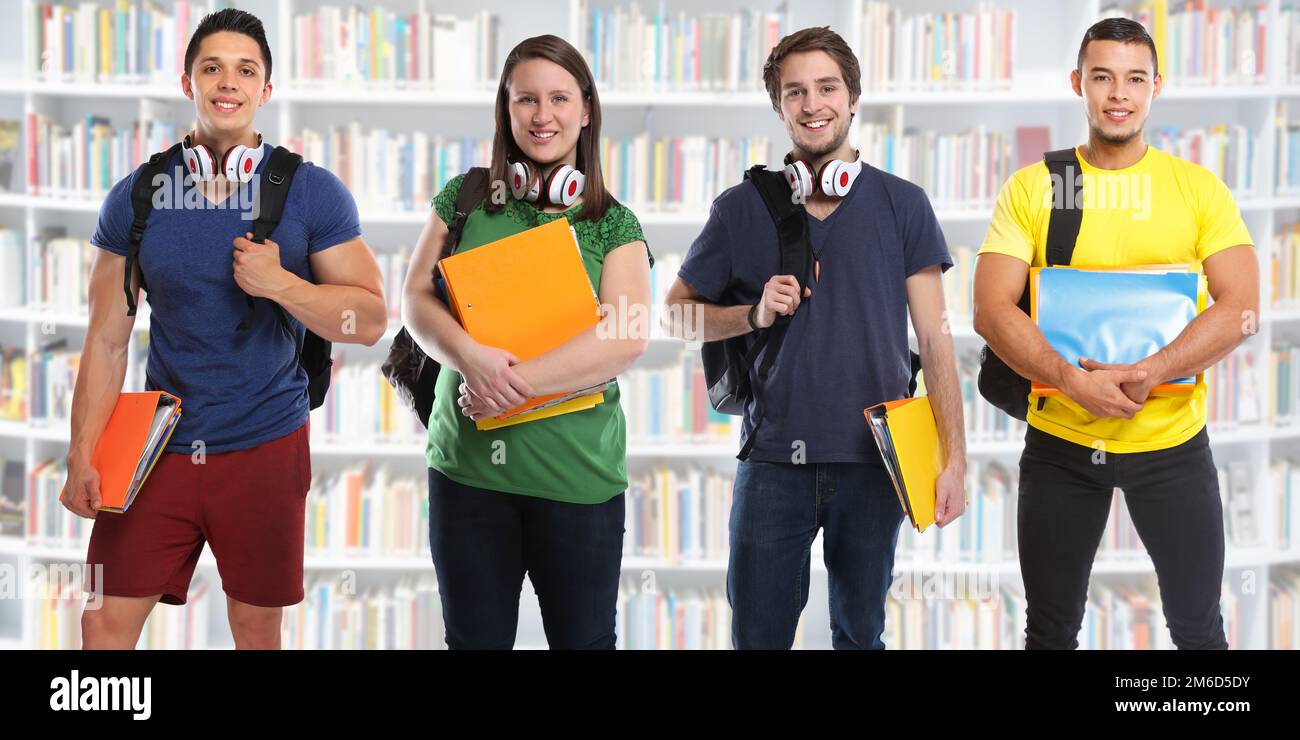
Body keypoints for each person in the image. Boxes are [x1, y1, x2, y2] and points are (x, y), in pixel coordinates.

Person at [61, 8, 388, 649]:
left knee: (255, 628)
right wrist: (81, 453)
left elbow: (369, 320)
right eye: (212, 68)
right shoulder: (136, 196)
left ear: (266, 89)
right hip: (159, 446)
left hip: (266, 442)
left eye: (246, 70)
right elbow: (106, 339)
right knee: (103, 620)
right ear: (189, 83)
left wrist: (281, 284)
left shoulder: (312, 192)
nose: (228, 82)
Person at [662, 27, 968, 650]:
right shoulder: (739, 208)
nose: (812, 104)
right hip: (772, 464)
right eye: (795, 92)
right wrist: (752, 315)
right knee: (758, 637)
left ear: (853, 98)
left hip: (876, 461)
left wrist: (955, 461)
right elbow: (675, 316)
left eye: (827, 88)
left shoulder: (904, 205)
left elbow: (936, 343)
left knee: (860, 635)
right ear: (779, 108)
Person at [973, 18, 1257, 649]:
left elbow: (1242, 306)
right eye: (1102, 77)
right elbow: (990, 311)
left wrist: (1150, 372)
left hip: (1172, 445)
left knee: (1198, 631)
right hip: (1062, 443)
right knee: (1050, 634)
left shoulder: (1197, 189)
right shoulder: (1038, 186)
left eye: (1135, 79)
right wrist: (1072, 382)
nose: (1119, 94)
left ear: (1157, 86)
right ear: (1078, 83)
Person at [401, 35, 653, 649]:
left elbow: (625, 336)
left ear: (586, 110)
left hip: (577, 477)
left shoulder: (613, 222)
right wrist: (471, 360)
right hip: (466, 474)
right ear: (506, 109)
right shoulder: (464, 197)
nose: (543, 115)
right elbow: (414, 299)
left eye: (559, 99)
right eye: (527, 99)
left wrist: (509, 386)